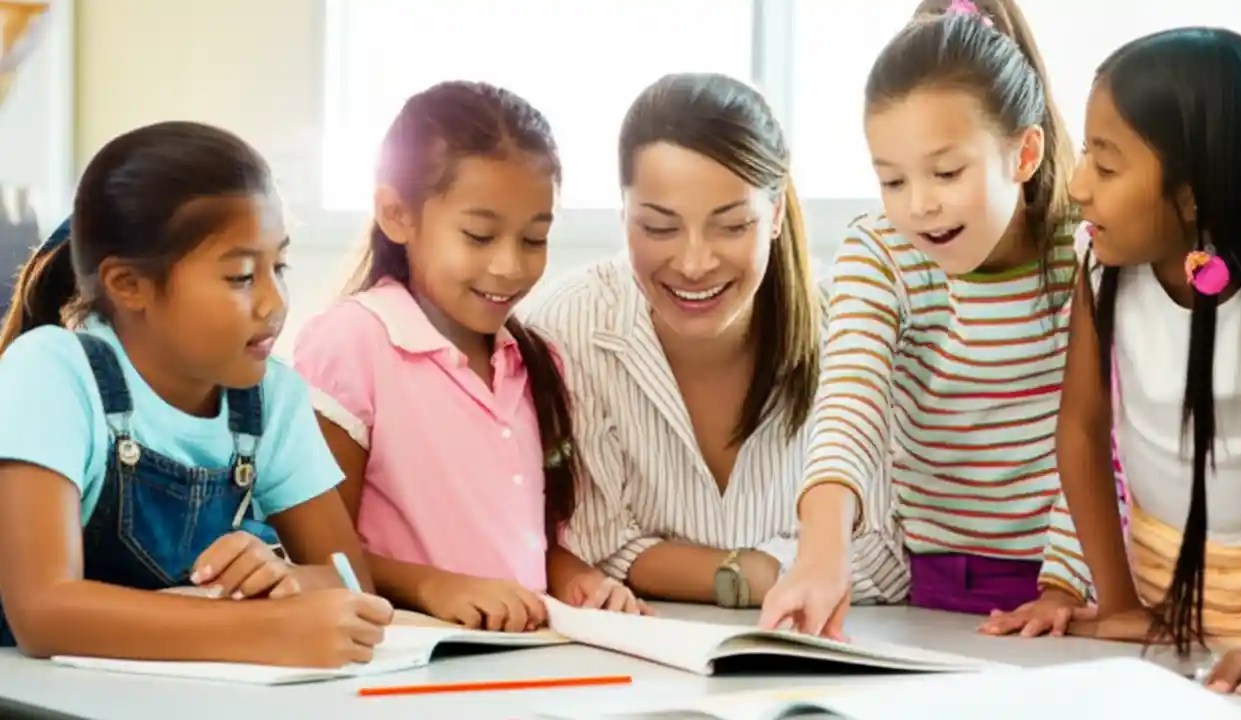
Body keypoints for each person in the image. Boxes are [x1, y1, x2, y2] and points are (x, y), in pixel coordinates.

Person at [0, 121, 391, 666]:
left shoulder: (272, 396)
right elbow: (42, 612)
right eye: (239, 277)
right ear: (127, 284)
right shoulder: (51, 372)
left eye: (279, 266)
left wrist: (283, 579)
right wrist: (262, 626)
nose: (274, 303)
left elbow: (351, 579)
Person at [760, 0, 1090, 639]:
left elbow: (1105, 433)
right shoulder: (879, 252)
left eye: (945, 172)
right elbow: (847, 407)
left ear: (1023, 155)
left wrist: (1062, 584)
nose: (920, 206)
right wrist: (820, 555)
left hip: (1074, 590)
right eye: (891, 180)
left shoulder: (1082, 252)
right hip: (935, 585)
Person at [525, 72, 901, 609]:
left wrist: (692, 570)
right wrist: (762, 574)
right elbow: (589, 548)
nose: (695, 263)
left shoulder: (850, 324)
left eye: (730, 226)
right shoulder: (566, 330)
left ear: (773, 215)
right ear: (624, 214)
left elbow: (889, 552)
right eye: (659, 228)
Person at [293, 81, 647, 633]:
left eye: (533, 239)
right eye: (479, 236)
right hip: (405, 654)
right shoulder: (354, 342)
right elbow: (315, 552)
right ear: (395, 214)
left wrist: (578, 577)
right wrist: (434, 587)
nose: (509, 266)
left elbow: (522, 541)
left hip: (524, 653)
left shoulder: (537, 360)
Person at [1058, 27, 1241, 695]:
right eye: (1083, 154)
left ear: (1190, 193)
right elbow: (1081, 429)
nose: (1077, 185)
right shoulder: (1100, 266)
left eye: (1105, 163)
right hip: (1163, 604)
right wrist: (1120, 600)